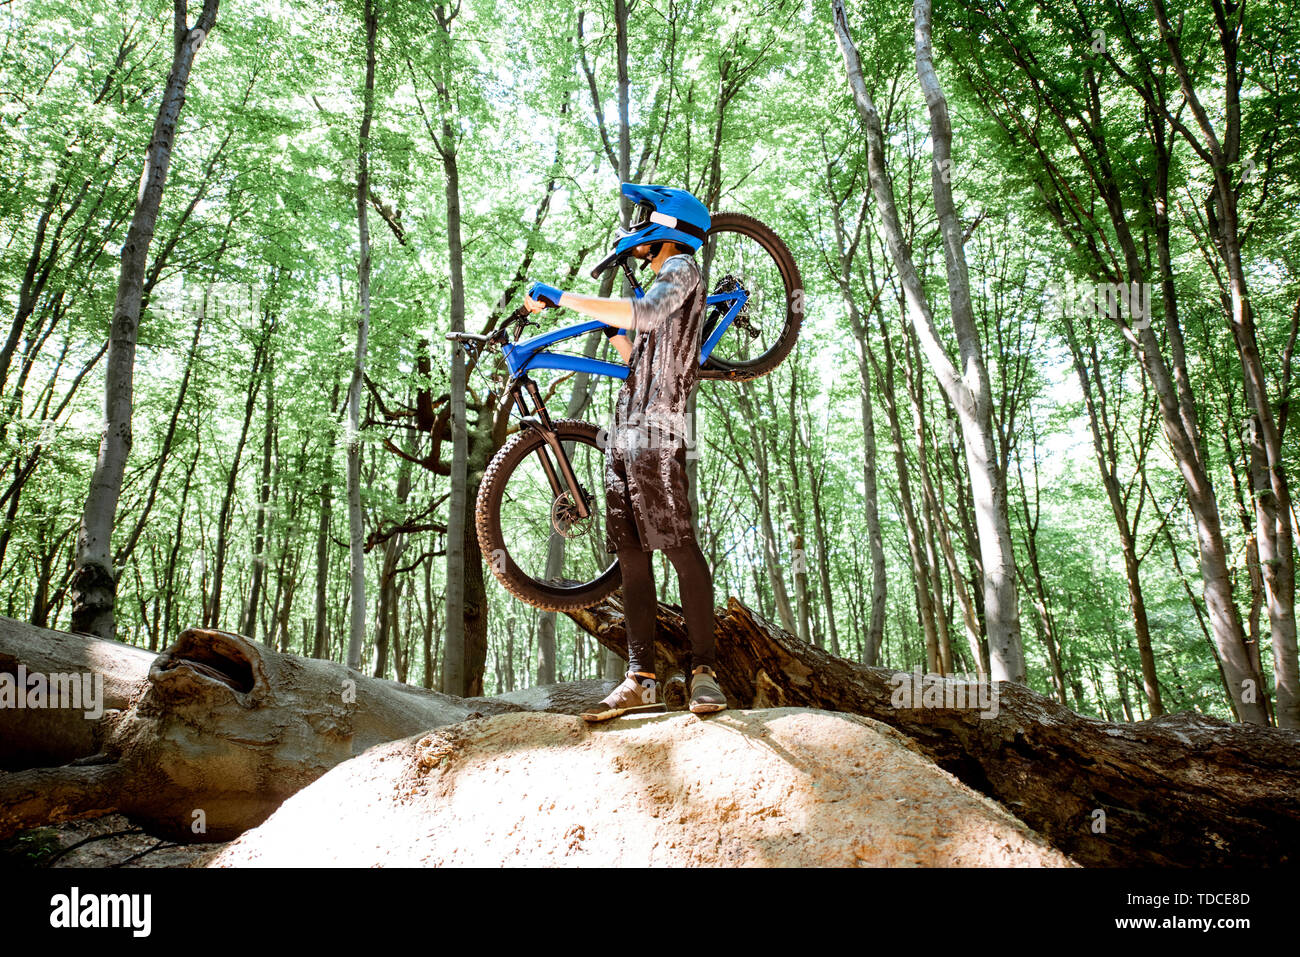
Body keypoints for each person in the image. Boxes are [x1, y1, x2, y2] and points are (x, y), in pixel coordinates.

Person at [523, 182, 726, 720]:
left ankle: (703, 671)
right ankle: (641, 679)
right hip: (624, 427)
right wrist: (615, 331)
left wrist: (562, 297)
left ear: (669, 229)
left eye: (646, 225)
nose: (638, 237)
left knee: (678, 545)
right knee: (631, 556)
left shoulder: (682, 269)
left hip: (660, 429)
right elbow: (639, 350)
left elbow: (645, 312)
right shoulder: (661, 280)